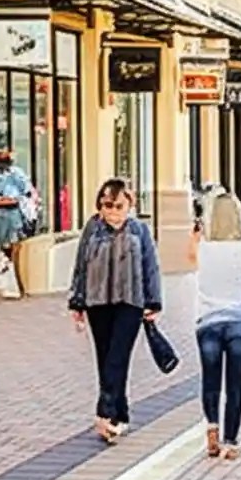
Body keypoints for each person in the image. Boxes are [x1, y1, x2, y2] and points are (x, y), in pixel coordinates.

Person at [68, 179, 162, 444]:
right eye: (107, 205)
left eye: (118, 205)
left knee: (117, 358)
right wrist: (77, 302)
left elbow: (150, 266)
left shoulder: (139, 230)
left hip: (130, 302)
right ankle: (120, 413)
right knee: (105, 358)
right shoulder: (93, 229)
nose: (113, 211)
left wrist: (153, 302)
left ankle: (105, 413)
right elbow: (81, 265)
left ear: (129, 205)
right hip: (98, 303)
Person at [191, 199, 241, 460]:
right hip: (240, 320)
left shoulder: (201, 247)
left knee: (210, 380)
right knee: (236, 384)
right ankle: (231, 441)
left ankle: (211, 426)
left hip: (208, 321)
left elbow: (189, 259)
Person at [0, 150, 36, 299]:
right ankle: (17, 287)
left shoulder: (6, 174)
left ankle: (17, 287)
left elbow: (26, 191)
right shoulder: (10, 174)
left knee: (11, 252)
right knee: (11, 253)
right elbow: (26, 191)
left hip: (6, 217)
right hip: (7, 217)